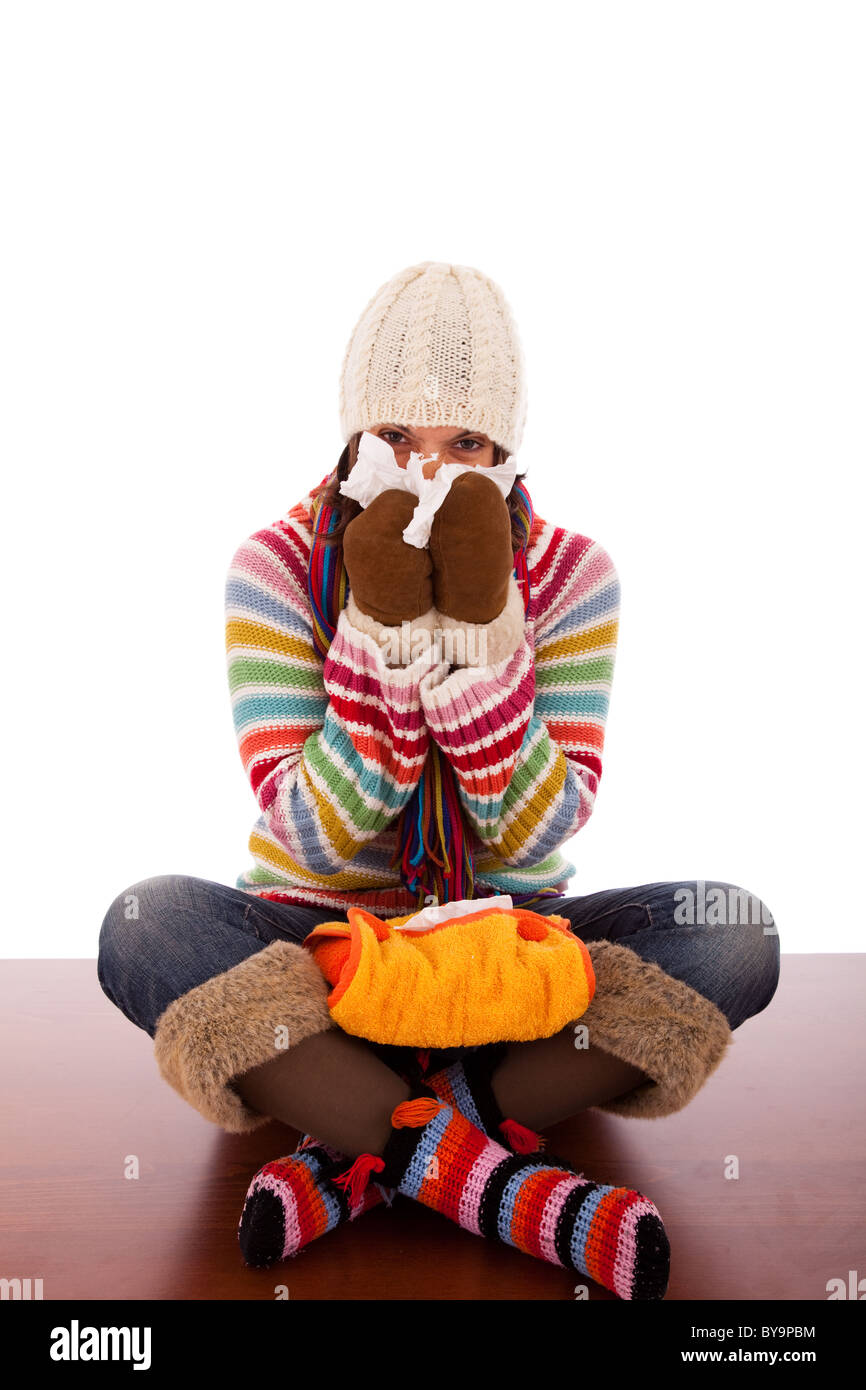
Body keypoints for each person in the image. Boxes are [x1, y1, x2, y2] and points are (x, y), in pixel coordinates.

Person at [98, 261, 780, 1301]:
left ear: (503, 450)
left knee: (733, 930)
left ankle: (360, 1146)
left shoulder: (571, 574)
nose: (425, 472)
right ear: (353, 438)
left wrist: (479, 651)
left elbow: (537, 826)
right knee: (145, 925)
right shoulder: (274, 565)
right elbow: (304, 831)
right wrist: (372, 643)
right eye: (398, 441)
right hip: (322, 955)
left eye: (461, 443)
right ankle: (491, 1173)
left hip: (505, 952)